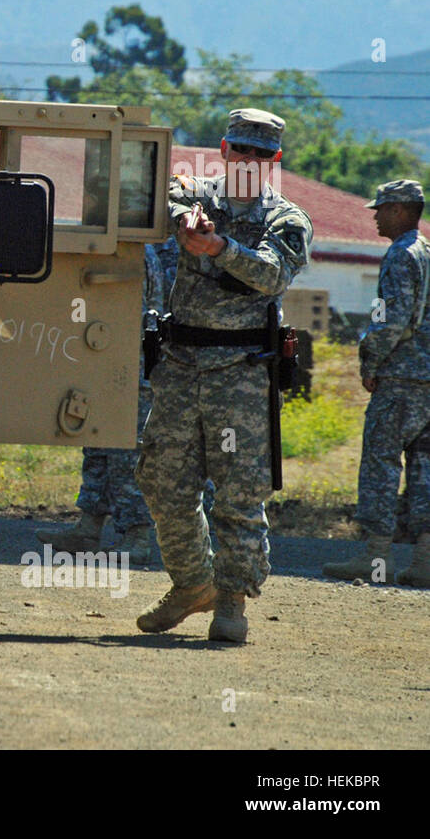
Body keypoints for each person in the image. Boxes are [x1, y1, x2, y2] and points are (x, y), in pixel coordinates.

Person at [134, 108, 313, 643]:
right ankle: (194, 583)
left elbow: (271, 273)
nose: (249, 161)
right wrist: (180, 204)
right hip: (182, 365)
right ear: (224, 148)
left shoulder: (286, 219)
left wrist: (218, 248)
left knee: (239, 491)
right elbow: (148, 200)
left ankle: (231, 601)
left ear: (274, 160)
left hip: (240, 372)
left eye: (260, 154)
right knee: (162, 482)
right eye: (241, 150)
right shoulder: (197, 197)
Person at [323, 179, 430, 587]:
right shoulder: (426, 253)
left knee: (381, 462)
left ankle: (375, 557)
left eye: (381, 209)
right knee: (424, 466)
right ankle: (424, 561)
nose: (375, 216)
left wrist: (370, 355)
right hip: (427, 378)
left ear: (402, 211)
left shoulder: (400, 255)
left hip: (401, 376)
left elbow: (391, 317)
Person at [36, 241, 167, 563]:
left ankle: (137, 535)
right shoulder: (115, 247)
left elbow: (127, 315)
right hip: (105, 361)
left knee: (126, 453)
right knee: (96, 446)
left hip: (130, 367)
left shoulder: (135, 252)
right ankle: (88, 528)